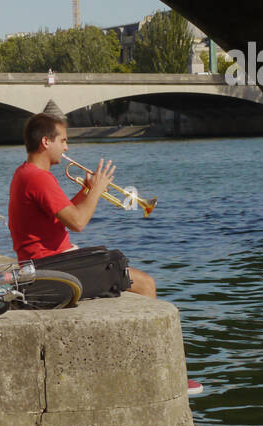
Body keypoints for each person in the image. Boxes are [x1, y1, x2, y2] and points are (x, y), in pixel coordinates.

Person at [8, 111, 157, 299]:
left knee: (111, 258)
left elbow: (63, 214)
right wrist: (96, 189)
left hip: (47, 262)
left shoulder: (24, 172)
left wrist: (86, 190)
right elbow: (78, 222)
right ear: (46, 142)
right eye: (62, 141)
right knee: (146, 284)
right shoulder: (39, 178)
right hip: (51, 266)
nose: (66, 148)